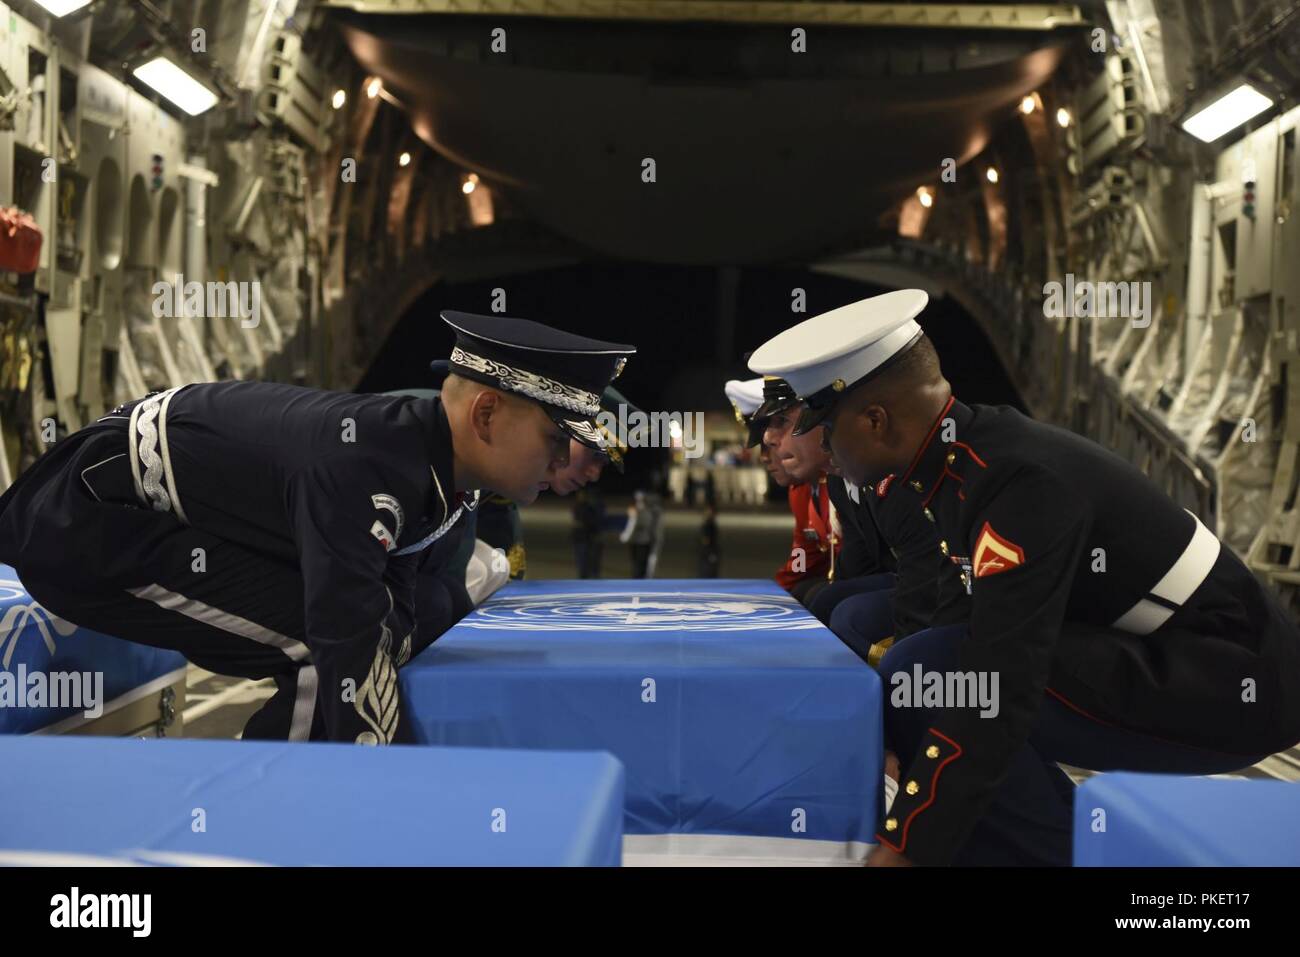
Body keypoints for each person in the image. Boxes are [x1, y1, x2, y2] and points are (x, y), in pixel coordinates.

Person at [750, 288, 1300, 866]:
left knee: (934, 674)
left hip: (1237, 680)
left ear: (876, 420)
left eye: (827, 431)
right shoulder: (965, 461)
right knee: (924, 671)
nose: (825, 451)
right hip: (1173, 656)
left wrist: (903, 847)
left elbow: (999, 683)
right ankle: (1057, 846)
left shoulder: (1016, 484)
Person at [0, 310, 634, 744]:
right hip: (86, 522)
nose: (562, 463)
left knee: (360, 638)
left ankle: (273, 793)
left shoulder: (438, 473)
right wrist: (383, 785)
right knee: (320, 651)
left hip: (156, 509)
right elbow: (346, 651)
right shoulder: (371, 469)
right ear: (487, 415)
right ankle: (275, 834)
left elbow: (394, 609)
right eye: (555, 439)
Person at [698, 502, 721, 577]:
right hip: (709, 551)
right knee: (708, 571)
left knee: (708, 571)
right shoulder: (709, 524)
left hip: (709, 552)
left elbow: (707, 539)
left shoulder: (709, 525)